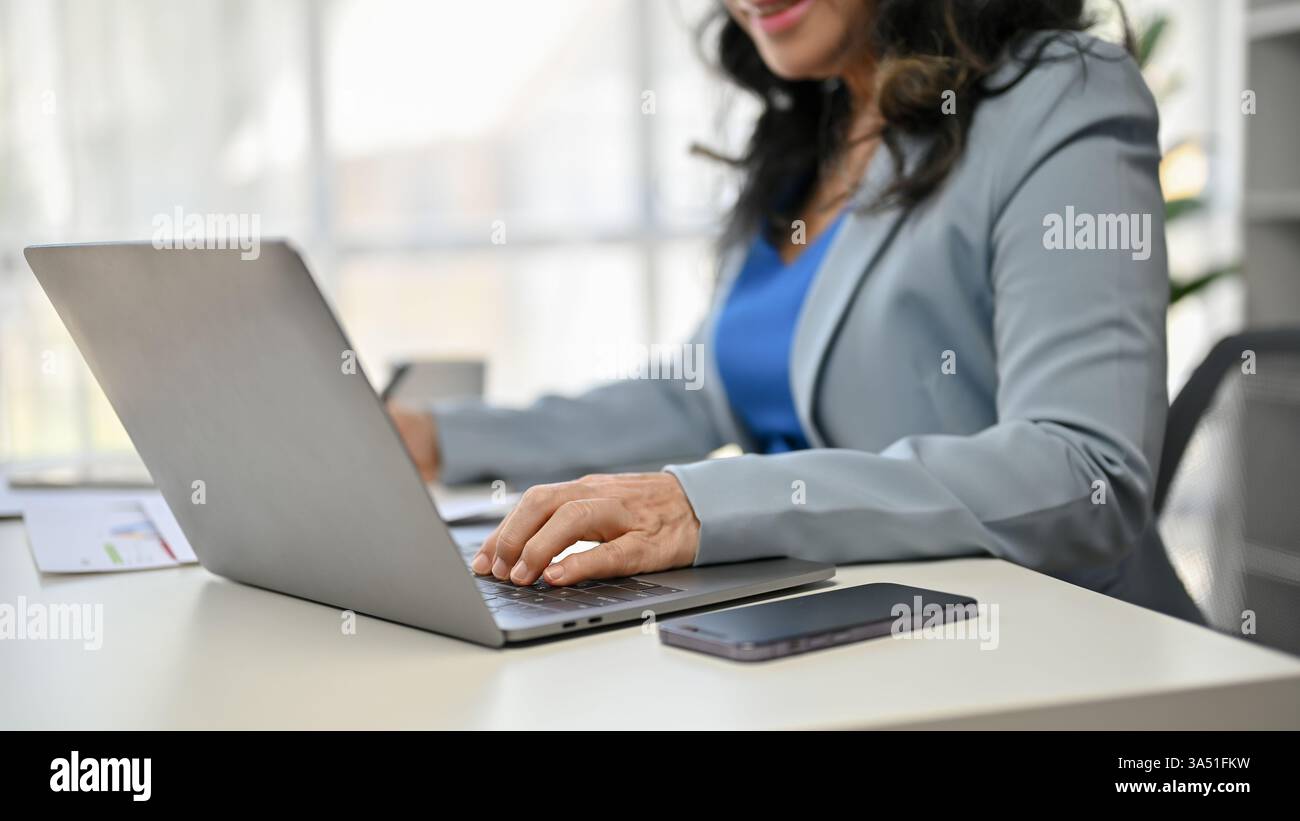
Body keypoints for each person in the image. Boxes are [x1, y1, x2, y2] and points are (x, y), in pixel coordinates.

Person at [389, 0, 1203, 622]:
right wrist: (439, 435)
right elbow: (691, 394)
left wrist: (706, 504)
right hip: (847, 636)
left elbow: (1084, 468)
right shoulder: (813, 136)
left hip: (1062, 650)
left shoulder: (1060, 91)